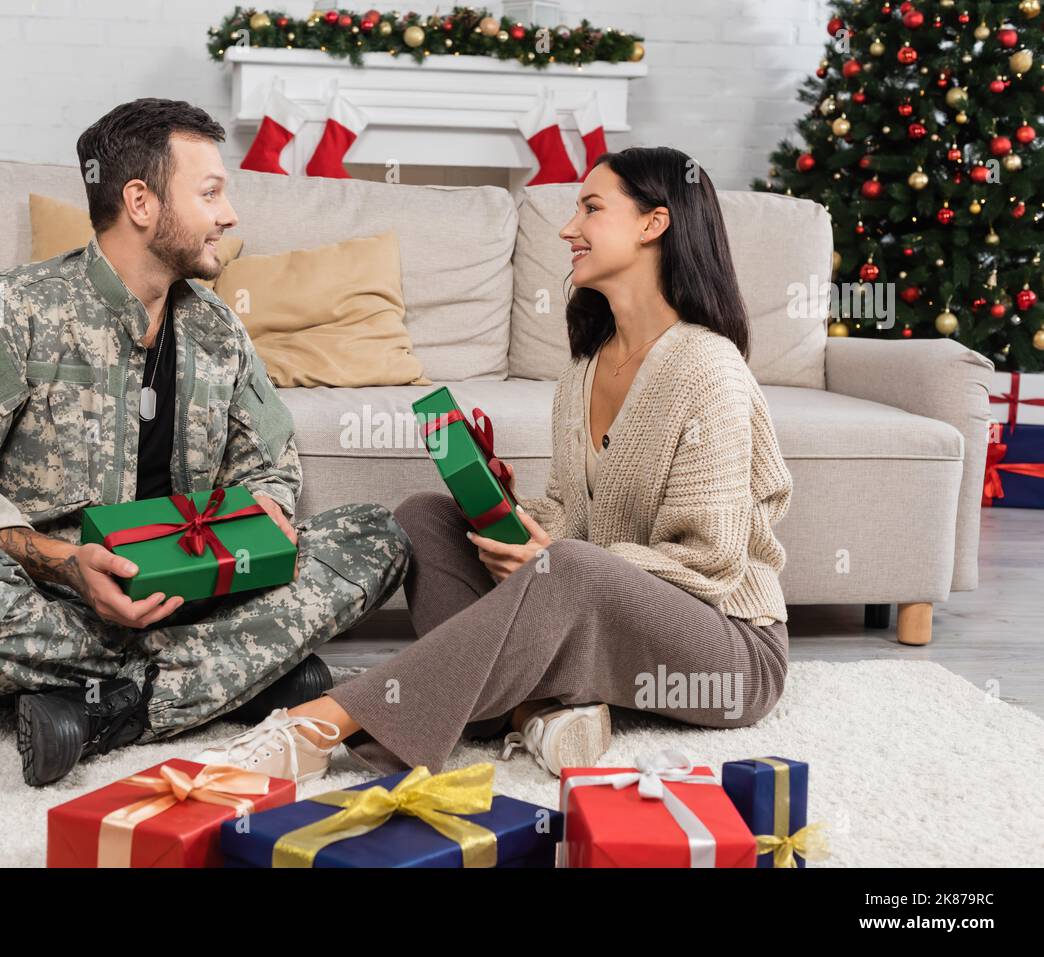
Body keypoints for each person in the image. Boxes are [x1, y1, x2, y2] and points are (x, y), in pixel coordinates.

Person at [197, 146, 795, 783]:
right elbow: (572, 515)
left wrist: (551, 561)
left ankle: (322, 722)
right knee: (426, 518)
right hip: (608, 623)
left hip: (727, 653)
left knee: (566, 566)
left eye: (591, 208)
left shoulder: (708, 369)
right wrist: (517, 529)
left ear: (654, 223)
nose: (569, 229)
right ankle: (532, 711)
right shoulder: (586, 365)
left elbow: (711, 562)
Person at [0, 98, 410, 787]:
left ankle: (105, 710)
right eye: (210, 192)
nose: (230, 213)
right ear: (141, 202)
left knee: (377, 535)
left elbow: (269, 462)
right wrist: (66, 564)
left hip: (203, 589)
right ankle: (242, 673)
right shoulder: (11, 312)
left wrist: (264, 508)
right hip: (57, 600)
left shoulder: (218, 330)